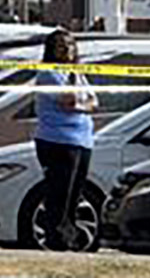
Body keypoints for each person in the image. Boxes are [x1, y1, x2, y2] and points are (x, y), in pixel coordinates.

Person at [32, 29, 98, 252]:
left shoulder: (77, 73)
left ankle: (69, 237)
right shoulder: (48, 73)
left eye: (71, 45)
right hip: (57, 140)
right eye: (61, 45)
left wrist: (79, 103)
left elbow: (94, 102)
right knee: (59, 192)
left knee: (74, 194)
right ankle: (55, 238)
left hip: (82, 140)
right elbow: (67, 100)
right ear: (51, 49)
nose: (67, 49)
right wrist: (79, 102)